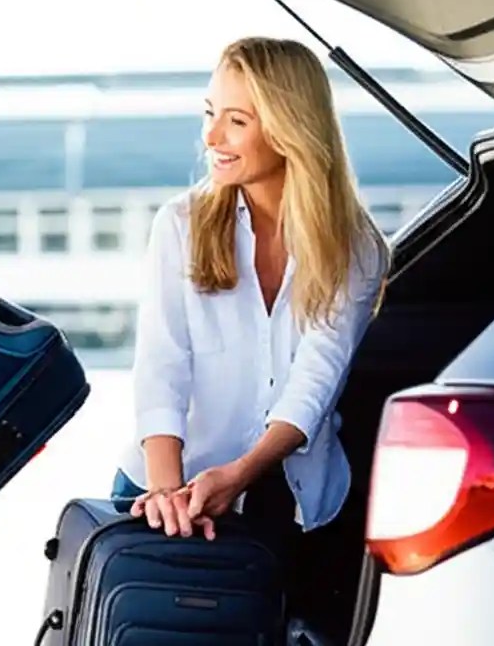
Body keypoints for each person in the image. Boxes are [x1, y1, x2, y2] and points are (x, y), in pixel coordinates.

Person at [111, 36, 390, 631]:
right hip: (162, 489)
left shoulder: (356, 246)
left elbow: (316, 380)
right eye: (209, 113)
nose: (212, 137)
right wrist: (167, 497)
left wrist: (241, 473)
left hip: (294, 504)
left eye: (236, 121)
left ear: (290, 129)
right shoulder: (180, 225)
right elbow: (162, 367)